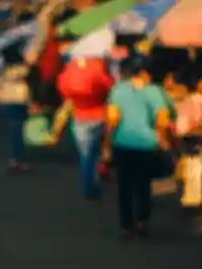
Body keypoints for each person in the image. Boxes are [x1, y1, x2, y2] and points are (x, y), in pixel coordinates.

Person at [104, 56, 169, 239]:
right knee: (143, 185)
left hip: (122, 144)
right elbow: (162, 119)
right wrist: (162, 139)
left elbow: (112, 119)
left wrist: (106, 145)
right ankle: (142, 222)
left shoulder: (118, 90)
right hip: (147, 145)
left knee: (124, 186)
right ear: (144, 72)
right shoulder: (154, 92)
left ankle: (126, 225)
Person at [56, 55, 114, 199]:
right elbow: (108, 87)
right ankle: (92, 185)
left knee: (85, 154)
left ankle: (89, 185)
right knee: (93, 154)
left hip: (78, 115)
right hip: (98, 115)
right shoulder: (98, 68)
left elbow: (62, 88)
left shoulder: (71, 68)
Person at [0, 47, 32, 171]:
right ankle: (18, 158)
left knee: (13, 131)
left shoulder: (3, 71)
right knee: (19, 131)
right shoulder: (22, 70)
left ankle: (14, 158)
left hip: (5, 101)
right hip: (19, 101)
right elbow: (28, 71)